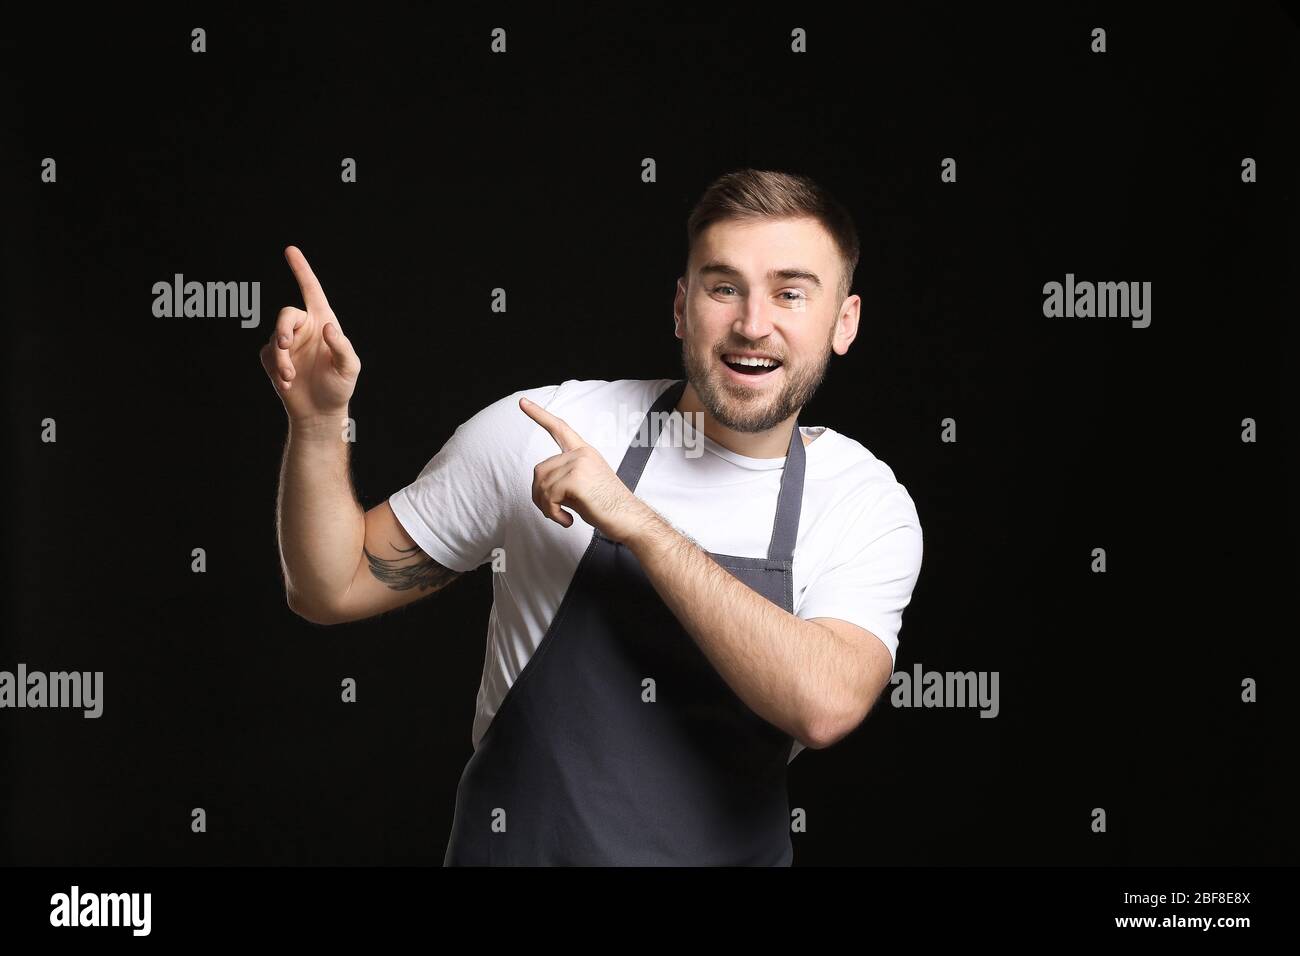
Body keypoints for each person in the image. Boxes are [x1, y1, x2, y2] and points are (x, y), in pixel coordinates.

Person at [262, 168, 924, 866]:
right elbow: (329, 588)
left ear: (843, 322)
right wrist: (317, 423)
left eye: (790, 293)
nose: (752, 323)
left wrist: (635, 524)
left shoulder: (860, 500)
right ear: (681, 306)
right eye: (723, 287)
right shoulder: (542, 432)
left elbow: (824, 704)